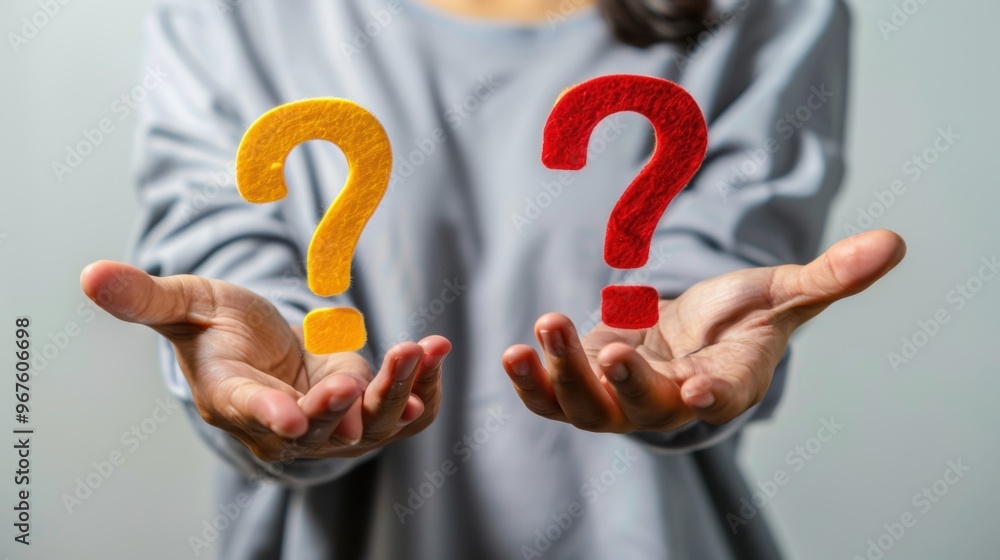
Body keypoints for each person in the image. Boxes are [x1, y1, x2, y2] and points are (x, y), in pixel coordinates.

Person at [80, 0, 905, 558]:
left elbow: (714, 287)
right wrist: (277, 373)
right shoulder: (233, 13)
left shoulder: (769, 10)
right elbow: (225, 237)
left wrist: (676, 357)